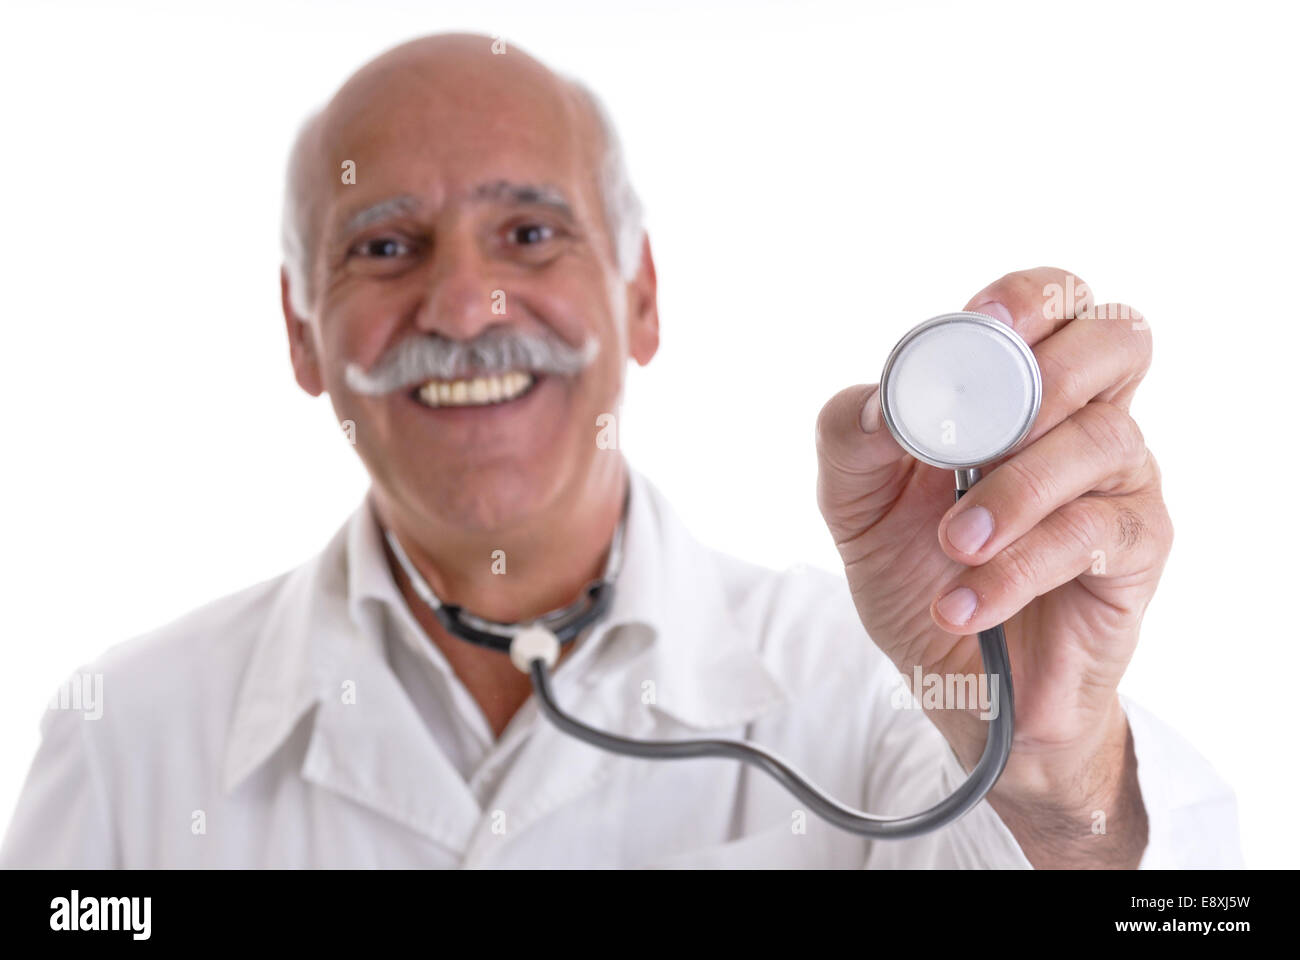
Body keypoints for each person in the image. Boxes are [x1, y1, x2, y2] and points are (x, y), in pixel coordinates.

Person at [0, 33, 1240, 869]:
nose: (466, 306)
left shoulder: (887, 707)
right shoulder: (124, 747)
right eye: (385, 248)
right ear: (301, 331)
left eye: (530, 233)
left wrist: (1047, 764)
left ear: (642, 297)